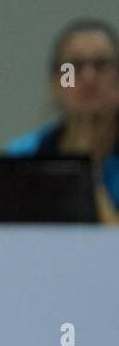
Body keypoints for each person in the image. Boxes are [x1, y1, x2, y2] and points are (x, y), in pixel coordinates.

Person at [7, 18, 119, 224]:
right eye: (73, 67)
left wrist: (87, 174)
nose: (88, 77)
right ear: (56, 83)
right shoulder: (25, 156)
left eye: (102, 65)